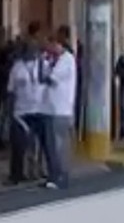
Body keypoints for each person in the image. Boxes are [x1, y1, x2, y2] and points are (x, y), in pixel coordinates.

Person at [40, 33, 77, 189]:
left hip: (61, 109)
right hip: (50, 108)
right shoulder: (53, 60)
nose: (48, 48)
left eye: (51, 45)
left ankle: (61, 175)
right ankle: (53, 174)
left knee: (59, 145)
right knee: (50, 145)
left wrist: (46, 64)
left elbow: (50, 78)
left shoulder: (66, 60)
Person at [6, 39, 44, 185]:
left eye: (35, 49)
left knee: (37, 145)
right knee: (19, 145)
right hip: (20, 112)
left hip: (38, 110)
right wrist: (9, 113)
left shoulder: (42, 65)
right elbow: (11, 91)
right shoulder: (17, 68)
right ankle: (16, 174)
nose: (33, 52)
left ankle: (35, 171)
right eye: (29, 49)